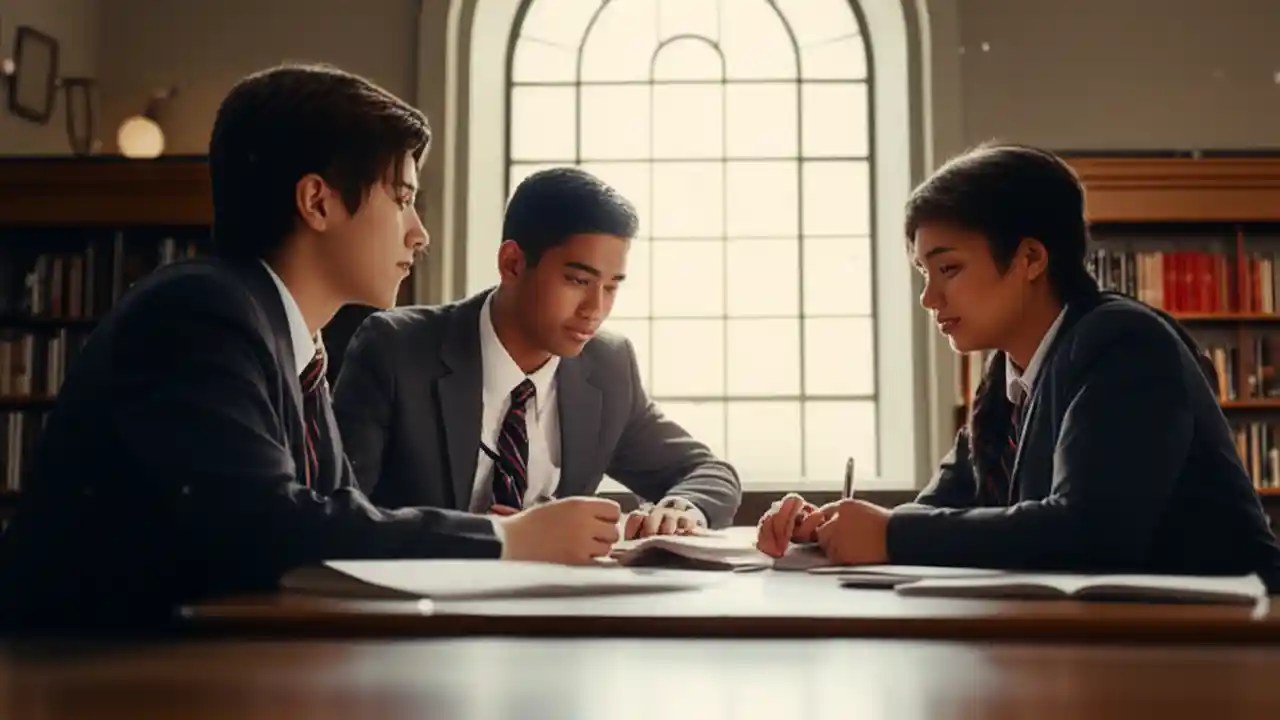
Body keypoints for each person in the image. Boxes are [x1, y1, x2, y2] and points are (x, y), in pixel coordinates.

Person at [0, 64, 620, 630]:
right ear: (317, 201)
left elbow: (336, 514)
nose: (420, 232)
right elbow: (274, 527)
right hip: (91, 678)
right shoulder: (200, 313)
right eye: (402, 198)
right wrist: (508, 539)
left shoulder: (300, 344)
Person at [757, 143, 1280, 590]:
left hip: (1226, 650)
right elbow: (940, 509)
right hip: (1107, 646)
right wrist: (828, 527)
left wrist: (889, 534)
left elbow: (1091, 533)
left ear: (1030, 258)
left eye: (949, 268)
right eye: (924, 272)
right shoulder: (1005, 379)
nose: (928, 297)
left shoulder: (1124, 342)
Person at [333, 167, 741, 539]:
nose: (595, 308)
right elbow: (339, 514)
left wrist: (680, 509)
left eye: (612, 286)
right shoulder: (397, 350)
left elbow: (708, 472)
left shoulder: (607, 366)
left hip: (558, 610)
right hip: (420, 609)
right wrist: (496, 536)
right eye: (578, 280)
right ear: (512, 263)